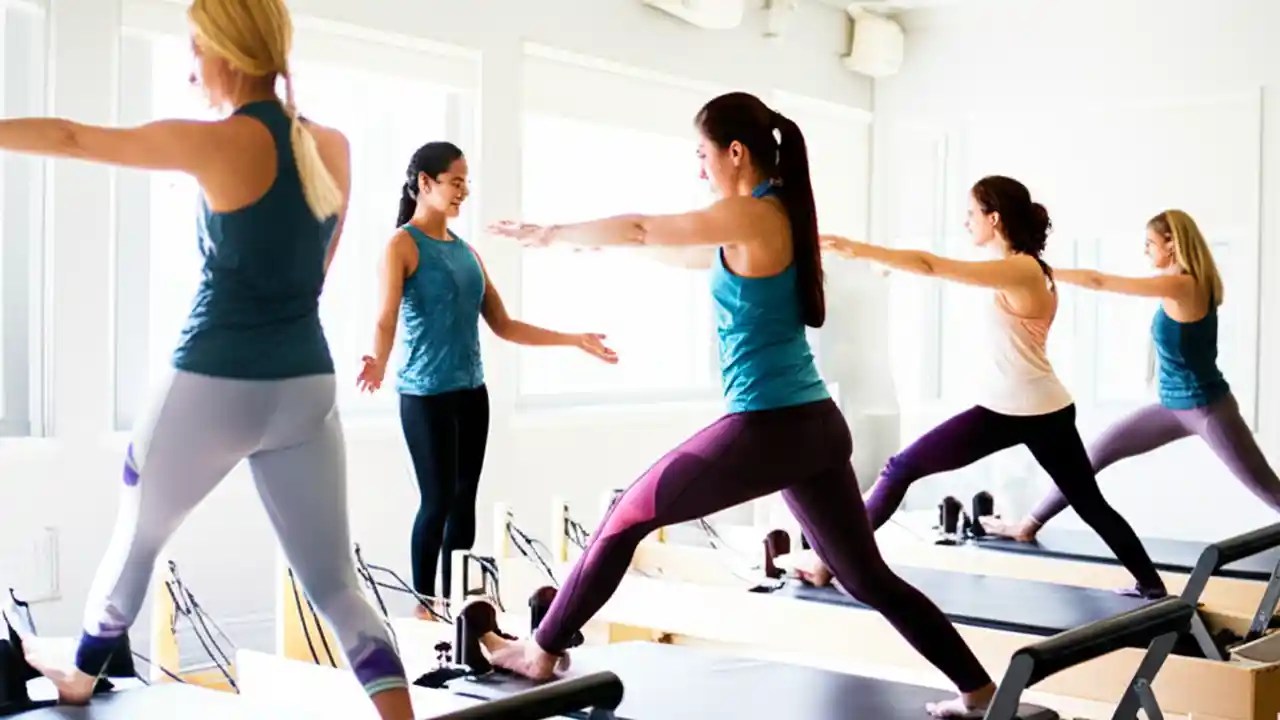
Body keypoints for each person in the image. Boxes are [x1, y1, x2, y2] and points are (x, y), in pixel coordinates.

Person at [485, 91, 998, 717]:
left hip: (770, 426)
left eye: (703, 154)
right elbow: (667, 246)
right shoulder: (771, 216)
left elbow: (648, 225)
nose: (699, 168)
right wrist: (590, 245)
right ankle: (979, 689)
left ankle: (541, 650)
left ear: (735, 152)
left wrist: (551, 232)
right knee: (866, 576)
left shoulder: (751, 215)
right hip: (813, 427)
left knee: (625, 516)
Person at [0, 1, 413, 718]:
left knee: (136, 540)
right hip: (306, 391)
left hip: (214, 381)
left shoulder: (217, 143)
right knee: (336, 585)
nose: (192, 70)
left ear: (225, 49)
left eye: (196, 49)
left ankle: (80, 677)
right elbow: (314, 272)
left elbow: (71, 137)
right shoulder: (334, 147)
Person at [816, 176, 1167, 600]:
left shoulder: (1019, 268)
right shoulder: (1032, 268)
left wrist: (860, 248)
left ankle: (826, 563)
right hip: (1044, 408)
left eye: (971, 214)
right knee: (1090, 503)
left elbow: (933, 266)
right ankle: (1151, 583)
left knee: (900, 468)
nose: (966, 222)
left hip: (1011, 411)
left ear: (994, 218)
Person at [356, 141, 617, 612]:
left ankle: (458, 605)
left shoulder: (467, 253)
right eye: (456, 182)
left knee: (464, 506)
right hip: (425, 396)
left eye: (465, 182)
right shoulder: (401, 245)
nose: (464, 192)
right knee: (435, 502)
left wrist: (573, 339)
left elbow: (505, 325)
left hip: (472, 395)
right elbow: (385, 317)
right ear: (425, 184)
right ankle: (423, 602)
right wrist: (376, 358)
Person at [982, 209, 1280, 542]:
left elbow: (1100, 281)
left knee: (1268, 489)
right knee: (1092, 455)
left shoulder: (1183, 285)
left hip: (1208, 410)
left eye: (1150, 243)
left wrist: (1043, 272)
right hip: (1171, 408)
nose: (1146, 251)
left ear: (1171, 244)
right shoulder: (1184, 283)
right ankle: (1027, 526)